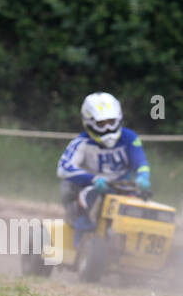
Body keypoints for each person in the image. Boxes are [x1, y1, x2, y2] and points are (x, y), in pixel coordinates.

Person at [56, 92, 151, 232]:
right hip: (89, 188)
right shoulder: (82, 142)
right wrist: (93, 179)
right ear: (89, 123)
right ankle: (83, 234)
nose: (107, 128)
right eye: (101, 124)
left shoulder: (129, 137)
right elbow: (63, 168)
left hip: (123, 188)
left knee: (145, 205)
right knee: (86, 194)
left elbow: (140, 161)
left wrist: (143, 177)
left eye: (111, 122)